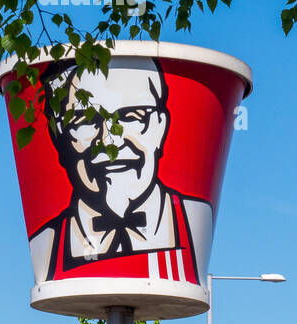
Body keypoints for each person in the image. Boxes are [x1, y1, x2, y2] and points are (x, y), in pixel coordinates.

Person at [28, 56, 213, 285]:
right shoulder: (45, 244)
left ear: (160, 127)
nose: (110, 140)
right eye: (86, 120)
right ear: (59, 135)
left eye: (132, 116)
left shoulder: (196, 222)